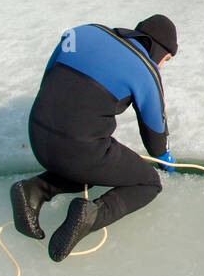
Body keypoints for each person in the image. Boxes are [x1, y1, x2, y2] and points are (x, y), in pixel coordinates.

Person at [10, 14, 178, 262]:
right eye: (165, 61)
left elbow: (49, 79)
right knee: (148, 182)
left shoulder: (85, 32)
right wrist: (165, 157)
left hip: (37, 134)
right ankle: (91, 215)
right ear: (159, 52)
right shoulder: (145, 68)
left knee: (87, 165)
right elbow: (154, 141)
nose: (161, 67)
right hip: (79, 152)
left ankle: (35, 189)